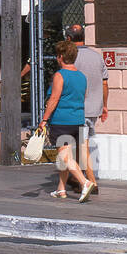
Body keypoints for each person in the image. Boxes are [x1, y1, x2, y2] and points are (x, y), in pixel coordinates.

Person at [40, 40, 94, 201]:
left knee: (64, 157)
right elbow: (82, 97)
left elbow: (54, 99)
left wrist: (44, 119)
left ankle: (84, 182)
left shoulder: (60, 75)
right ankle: (61, 189)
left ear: (60, 57)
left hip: (61, 120)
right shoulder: (81, 76)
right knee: (67, 155)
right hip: (77, 119)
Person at [64, 24, 108, 195]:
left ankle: (90, 181)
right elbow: (105, 83)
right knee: (78, 143)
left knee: (80, 144)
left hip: (77, 107)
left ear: (68, 38)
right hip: (94, 107)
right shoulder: (97, 57)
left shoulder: (71, 57)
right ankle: (75, 178)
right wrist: (104, 105)